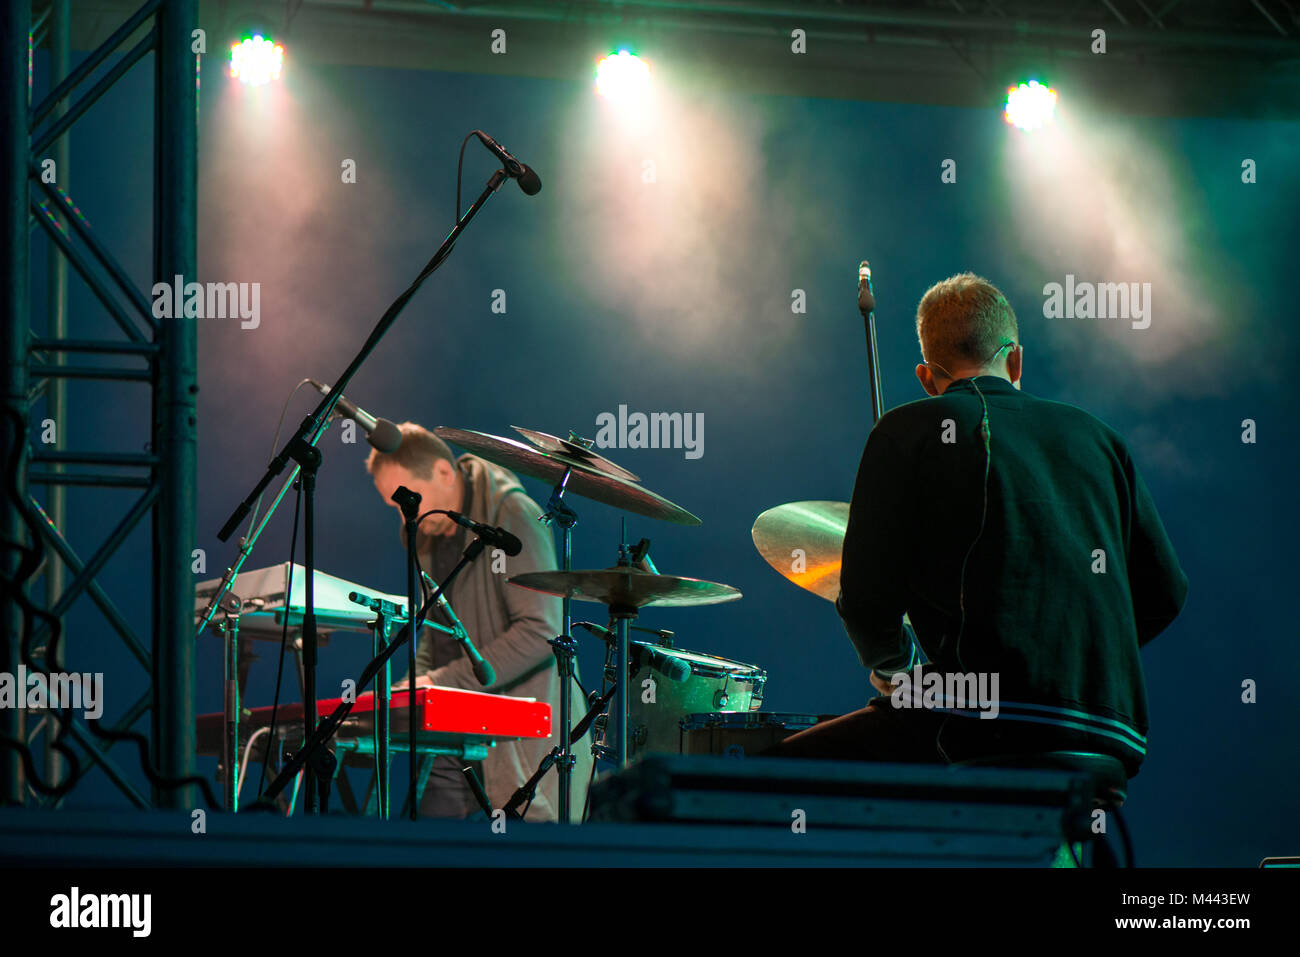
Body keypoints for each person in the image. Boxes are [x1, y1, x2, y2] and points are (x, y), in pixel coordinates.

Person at [765, 273, 1187, 778]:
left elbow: (866, 601)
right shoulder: (1102, 441)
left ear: (926, 378)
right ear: (1016, 361)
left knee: (769, 776)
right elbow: (1166, 595)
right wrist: (1075, 663)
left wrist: (895, 672)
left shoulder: (907, 429)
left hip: (980, 718)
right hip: (1112, 733)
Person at [366, 423, 592, 820]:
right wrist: (408, 689)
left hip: (520, 740)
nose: (406, 514)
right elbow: (433, 632)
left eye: (409, 498)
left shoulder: (513, 513)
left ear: (443, 471)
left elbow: (541, 633)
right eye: (395, 504)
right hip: (455, 728)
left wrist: (438, 682)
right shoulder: (427, 536)